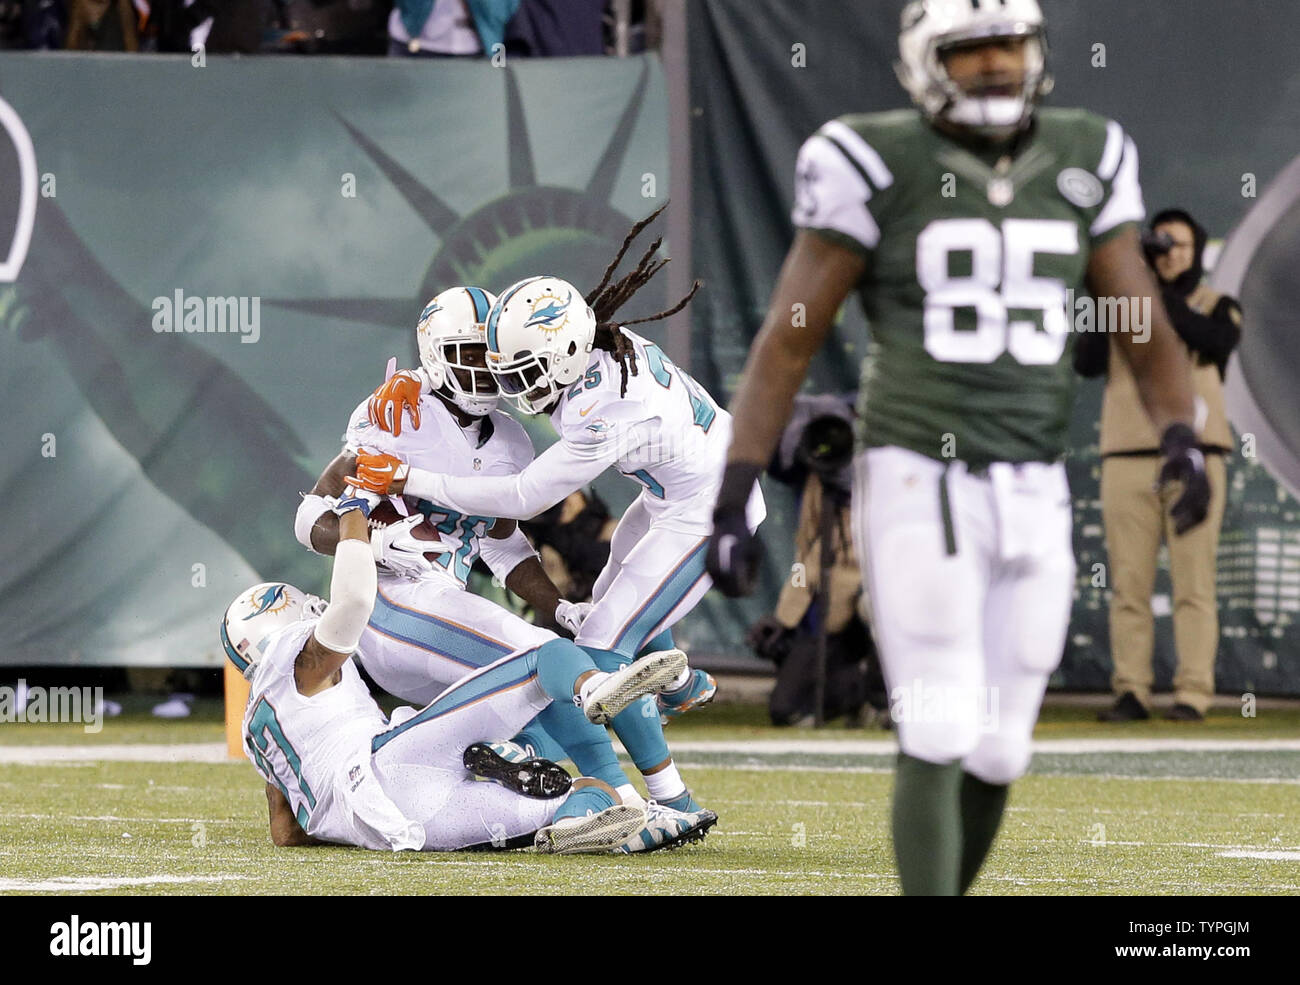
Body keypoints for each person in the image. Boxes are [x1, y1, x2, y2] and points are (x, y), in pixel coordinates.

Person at [705, 0, 1209, 895]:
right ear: (923, 63)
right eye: (969, 51)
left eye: (1006, 46)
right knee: (938, 719)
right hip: (917, 472)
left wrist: (1182, 431)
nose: (993, 67)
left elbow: (1139, 317)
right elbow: (788, 335)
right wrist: (735, 486)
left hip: (1035, 476)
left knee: (1002, 742)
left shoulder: (1088, 151)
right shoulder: (873, 158)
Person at [347, 210, 766, 816]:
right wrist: (414, 387)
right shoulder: (596, 347)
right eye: (496, 360)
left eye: (518, 367)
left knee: (602, 641)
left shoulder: (599, 405)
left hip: (709, 506)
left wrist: (411, 475)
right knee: (608, 598)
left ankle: (673, 798)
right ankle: (679, 684)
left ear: (565, 351)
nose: (506, 380)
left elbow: (523, 501)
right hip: (674, 491)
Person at [296, 286, 716, 851]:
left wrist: (558, 605)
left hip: (440, 606)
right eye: (468, 355)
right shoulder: (398, 407)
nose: (485, 370)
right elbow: (310, 518)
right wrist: (371, 540)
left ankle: (586, 805)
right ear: (434, 354)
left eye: (489, 355)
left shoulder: (513, 439)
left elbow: (503, 546)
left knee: (538, 695)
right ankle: (638, 790)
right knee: (545, 660)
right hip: (389, 605)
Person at [222, 492, 694, 854]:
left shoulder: (258, 730)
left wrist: (348, 820)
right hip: (388, 764)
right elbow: (354, 602)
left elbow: (285, 832)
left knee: (583, 801)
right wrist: (352, 515)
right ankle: (593, 693)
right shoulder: (300, 661)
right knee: (542, 656)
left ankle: (547, 783)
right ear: (280, 624)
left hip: (398, 829)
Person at [1077, 209, 1241, 722]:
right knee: (1129, 583)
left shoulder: (1219, 305)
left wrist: (1149, 291)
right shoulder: (1120, 305)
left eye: (1181, 246)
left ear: (1198, 253)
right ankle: (1132, 689)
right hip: (1127, 456)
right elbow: (1085, 359)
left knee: (1195, 582)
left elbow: (1213, 343)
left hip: (1198, 456)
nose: (1171, 254)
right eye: (1161, 244)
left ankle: (1193, 692)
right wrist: (1120, 289)